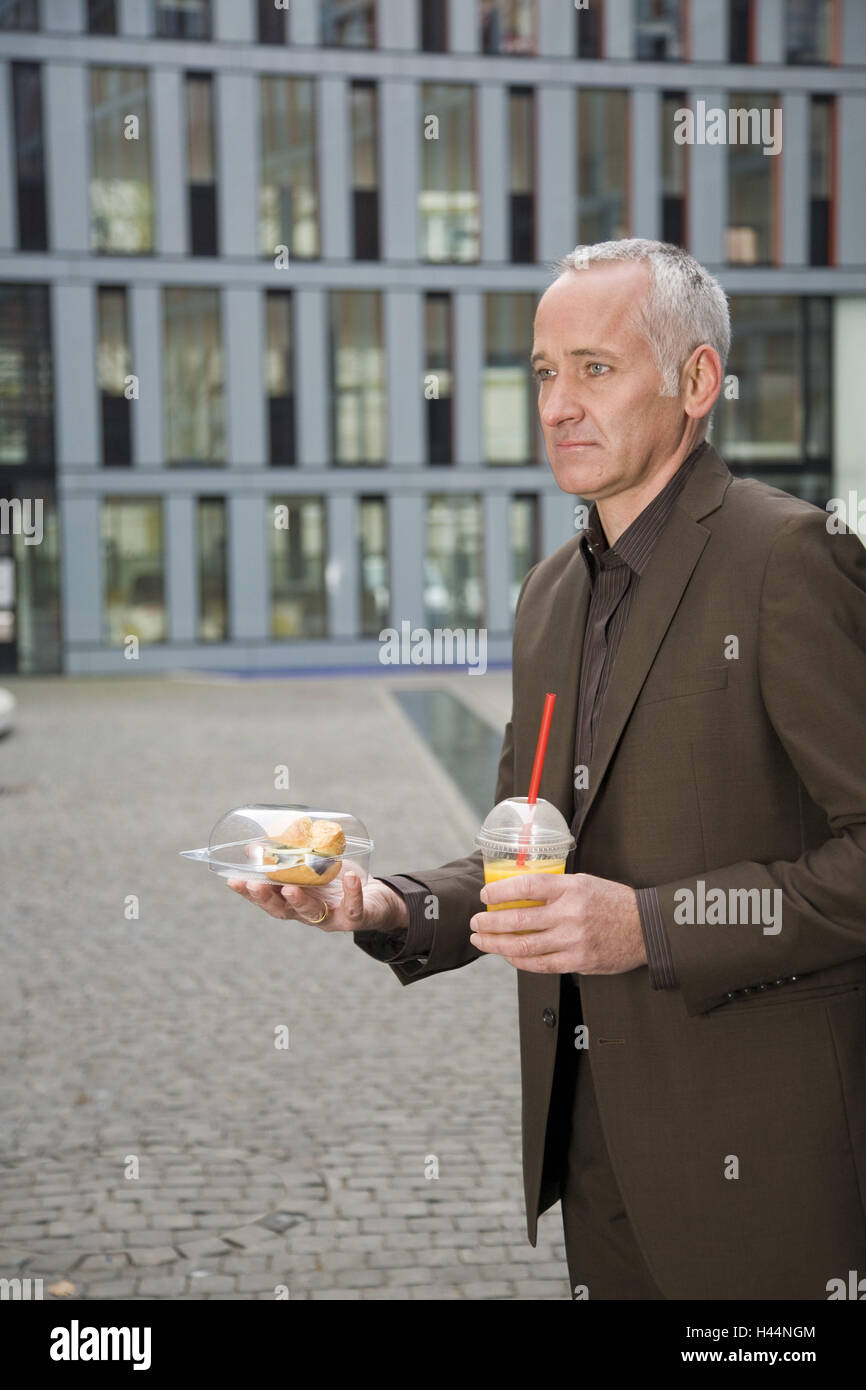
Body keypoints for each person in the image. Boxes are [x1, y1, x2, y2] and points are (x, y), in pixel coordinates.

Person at [229, 239, 866, 1300]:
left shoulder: (788, 560)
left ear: (695, 382)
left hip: (766, 1180)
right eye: (541, 371)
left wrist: (649, 926)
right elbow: (526, 841)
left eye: (595, 368)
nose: (557, 403)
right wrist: (381, 900)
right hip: (591, 1165)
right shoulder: (546, 597)